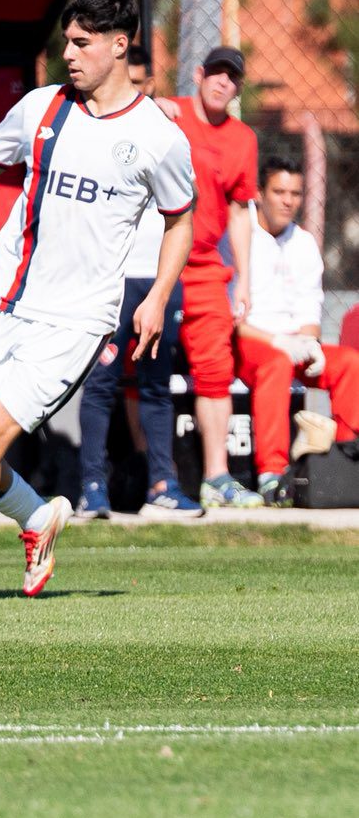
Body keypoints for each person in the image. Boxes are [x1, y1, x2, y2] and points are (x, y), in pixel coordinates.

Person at [0, 0, 193, 603]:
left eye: (82, 43)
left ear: (120, 45)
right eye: (67, 41)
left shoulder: (158, 136)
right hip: (6, 303)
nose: (69, 54)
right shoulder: (41, 107)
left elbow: (179, 221)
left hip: (75, 320)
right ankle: (36, 517)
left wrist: (157, 296)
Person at [76, 45, 201, 520]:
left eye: (143, 81)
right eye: (129, 79)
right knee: (100, 382)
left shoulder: (167, 132)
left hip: (158, 277)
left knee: (155, 384)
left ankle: (163, 485)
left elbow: (185, 209)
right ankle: (91, 488)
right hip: (111, 279)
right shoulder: (91, 127)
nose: (136, 89)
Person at [166, 46, 263, 508]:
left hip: (205, 268)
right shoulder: (168, 114)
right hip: (154, 263)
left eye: (232, 77)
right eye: (217, 74)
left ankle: (216, 476)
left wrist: (243, 278)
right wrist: (151, 106)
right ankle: (149, 476)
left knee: (215, 372)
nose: (223, 83)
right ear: (199, 75)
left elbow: (240, 212)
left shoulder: (243, 139)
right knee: (137, 365)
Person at [243, 157, 359, 502]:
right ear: (259, 193)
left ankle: (348, 460)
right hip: (251, 341)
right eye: (279, 192)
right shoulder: (240, 234)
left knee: (349, 363)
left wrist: (308, 344)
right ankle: (272, 475)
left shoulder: (304, 243)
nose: (288, 201)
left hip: (296, 344)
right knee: (276, 364)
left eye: (295, 193)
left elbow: (310, 310)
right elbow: (233, 321)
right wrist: (279, 342)